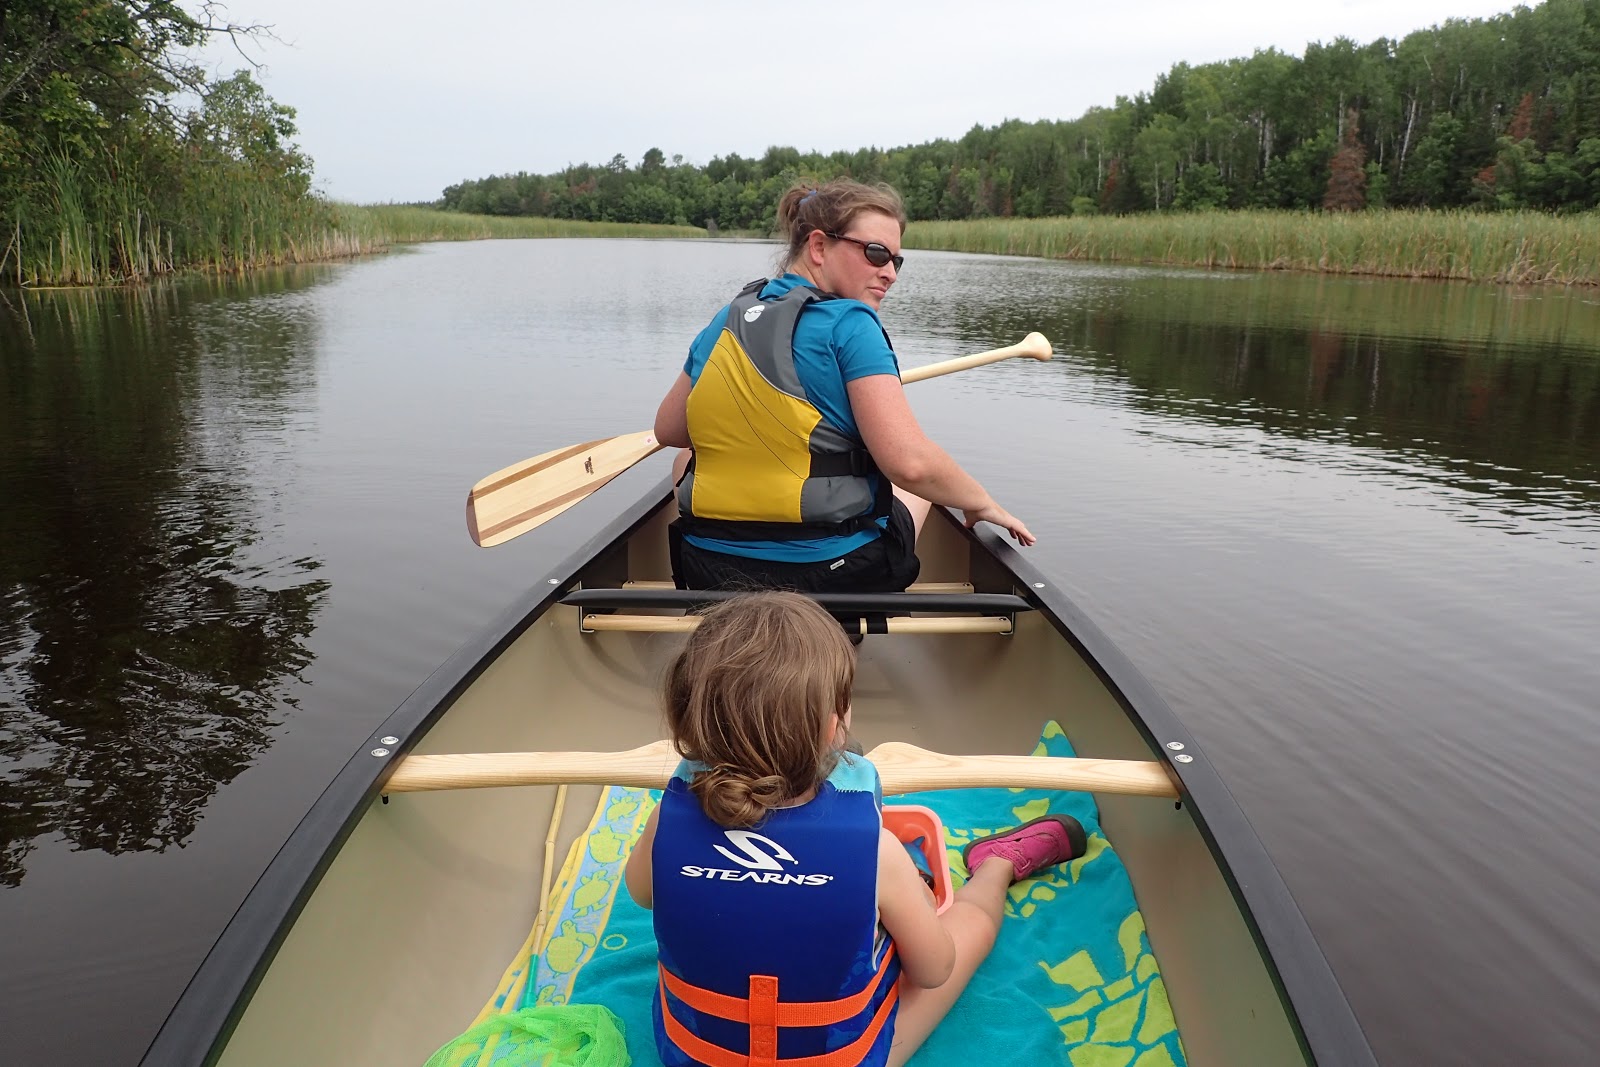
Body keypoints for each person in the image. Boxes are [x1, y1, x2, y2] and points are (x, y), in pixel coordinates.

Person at [624, 592, 1086, 1067]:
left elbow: (642, 894)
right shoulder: (879, 854)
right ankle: (995, 867)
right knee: (971, 927)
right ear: (833, 728)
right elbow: (933, 969)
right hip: (837, 1059)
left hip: (695, 1053)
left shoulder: (665, 821)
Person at [653, 178, 1035, 593]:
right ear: (819, 247)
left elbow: (669, 431)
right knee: (921, 484)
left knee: (688, 455)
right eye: (876, 254)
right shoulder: (851, 323)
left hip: (708, 567)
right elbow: (911, 465)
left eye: (896, 261)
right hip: (831, 574)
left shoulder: (727, 317)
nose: (889, 273)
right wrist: (979, 501)